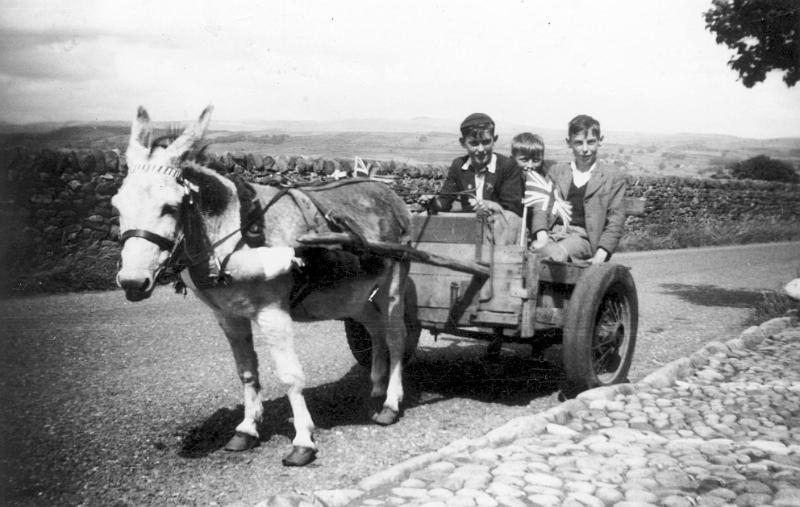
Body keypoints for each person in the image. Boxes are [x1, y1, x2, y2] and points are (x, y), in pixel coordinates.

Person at [529, 114, 626, 264]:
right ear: (569, 143)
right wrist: (542, 239)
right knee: (523, 254)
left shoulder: (612, 177)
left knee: (555, 254)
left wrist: (600, 257)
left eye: (591, 142)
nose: (585, 149)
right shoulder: (557, 172)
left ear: (600, 141)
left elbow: (615, 221)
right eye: (579, 143)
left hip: (583, 239)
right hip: (553, 234)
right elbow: (541, 208)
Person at [426, 113, 522, 244]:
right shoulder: (458, 165)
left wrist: (490, 205)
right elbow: (445, 201)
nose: (481, 149)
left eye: (486, 142)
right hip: (469, 229)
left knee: (509, 219)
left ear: (495, 139)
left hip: (499, 232)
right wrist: (433, 203)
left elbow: (513, 209)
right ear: (463, 143)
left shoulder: (507, 166)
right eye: (474, 143)